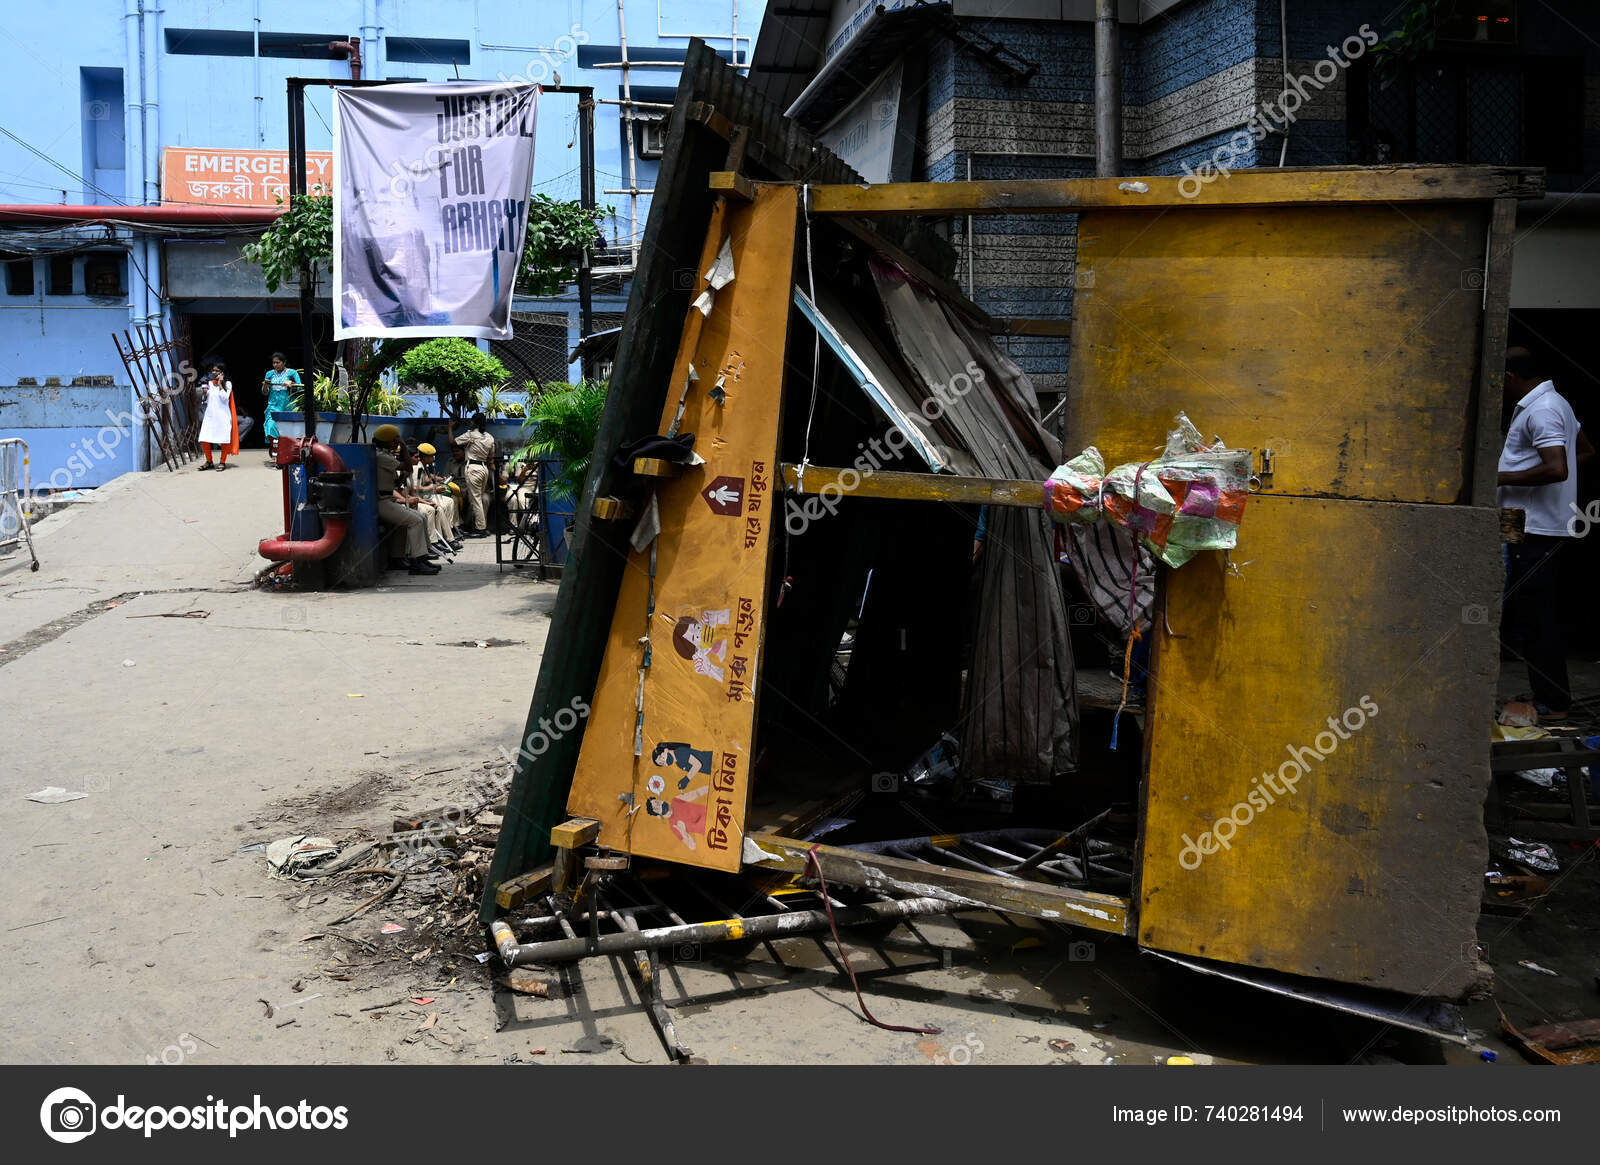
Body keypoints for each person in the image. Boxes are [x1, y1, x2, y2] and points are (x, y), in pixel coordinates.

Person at [1497, 346, 1578, 721]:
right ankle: (1545, 689)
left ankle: (1554, 703)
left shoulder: (1543, 409)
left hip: (1535, 526)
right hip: (1516, 517)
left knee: (1536, 614)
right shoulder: (1546, 405)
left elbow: (1557, 468)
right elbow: (1584, 451)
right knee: (1523, 611)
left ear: (1510, 377)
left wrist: (1497, 478)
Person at [373, 424, 440, 576]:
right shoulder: (381, 456)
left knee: (419, 517)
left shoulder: (385, 455)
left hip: (387, 498)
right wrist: (403, 447)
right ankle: (417, 562)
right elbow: (408, 466)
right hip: (381, 501)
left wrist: (401, 477)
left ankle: (401, 558)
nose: (396, 443)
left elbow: (396, 482)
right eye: (394, 440)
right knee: (415, 521)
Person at [406, 442, 461, 557]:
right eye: (431, 456)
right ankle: (435, 541)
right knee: (435, 508)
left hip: (423, 496)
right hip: (419, 497)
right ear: (424, 457)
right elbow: (416, 489)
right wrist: (433, 489)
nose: (433, 458)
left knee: (448, 502)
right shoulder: (418, 467)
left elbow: (427, 478)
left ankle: (448, 536)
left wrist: (435, 481)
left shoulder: (423, 466)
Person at [449, 412, 497, 537]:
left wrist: (450, 428)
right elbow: (491, 457)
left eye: (472, 421)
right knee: (479, 499)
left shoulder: (471, 435)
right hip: (483, 468)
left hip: (473, 468)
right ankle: (481, 527)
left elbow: (453, 442)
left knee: (476, 500)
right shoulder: (490, 437)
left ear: (474, 422)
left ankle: (480, 529)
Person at [261, 353, 302, 466]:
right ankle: (277, 453)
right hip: (273, 406)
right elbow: (264, 392)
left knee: (288, 431)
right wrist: (265, 385)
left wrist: (291, 384)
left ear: (284, 362)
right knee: (270, 426)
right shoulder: (269, 374)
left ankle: (288, 454)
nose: (275, 365)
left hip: (288, 405)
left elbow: (300, 387)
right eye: (273, 363)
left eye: (278, 362)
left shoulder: (292, 373)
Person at [197, 362, 238, 472]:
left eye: (217, 371)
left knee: (223, 439)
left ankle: (222, 462)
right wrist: (204, 393)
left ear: (222, 372)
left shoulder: (228, 384)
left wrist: (220, 384)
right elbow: (204, 400)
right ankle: (209, 461)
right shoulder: (208, 383)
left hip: (223, 416)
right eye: (213, 370)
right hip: (210, 415)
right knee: (204, 438)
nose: (214, 372)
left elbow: (224, 398)